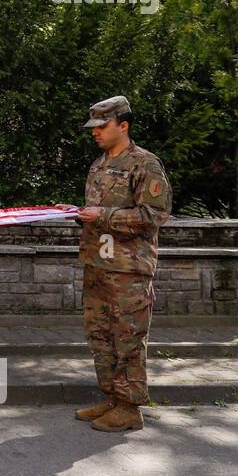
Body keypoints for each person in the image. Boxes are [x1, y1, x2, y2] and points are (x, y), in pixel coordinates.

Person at [70, 95, 171, 432]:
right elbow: (97, 215)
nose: (95, 133)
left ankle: (130, 408)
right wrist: (76, 214)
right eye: (93, 127)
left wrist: (103, 215)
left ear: (123, 125)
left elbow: (154, 215)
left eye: (102, 126)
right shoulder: (97, 166)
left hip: (129, 270)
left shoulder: (146, 164)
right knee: (100, 336)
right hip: (97, 265)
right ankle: (112, 398)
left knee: (127, 337)